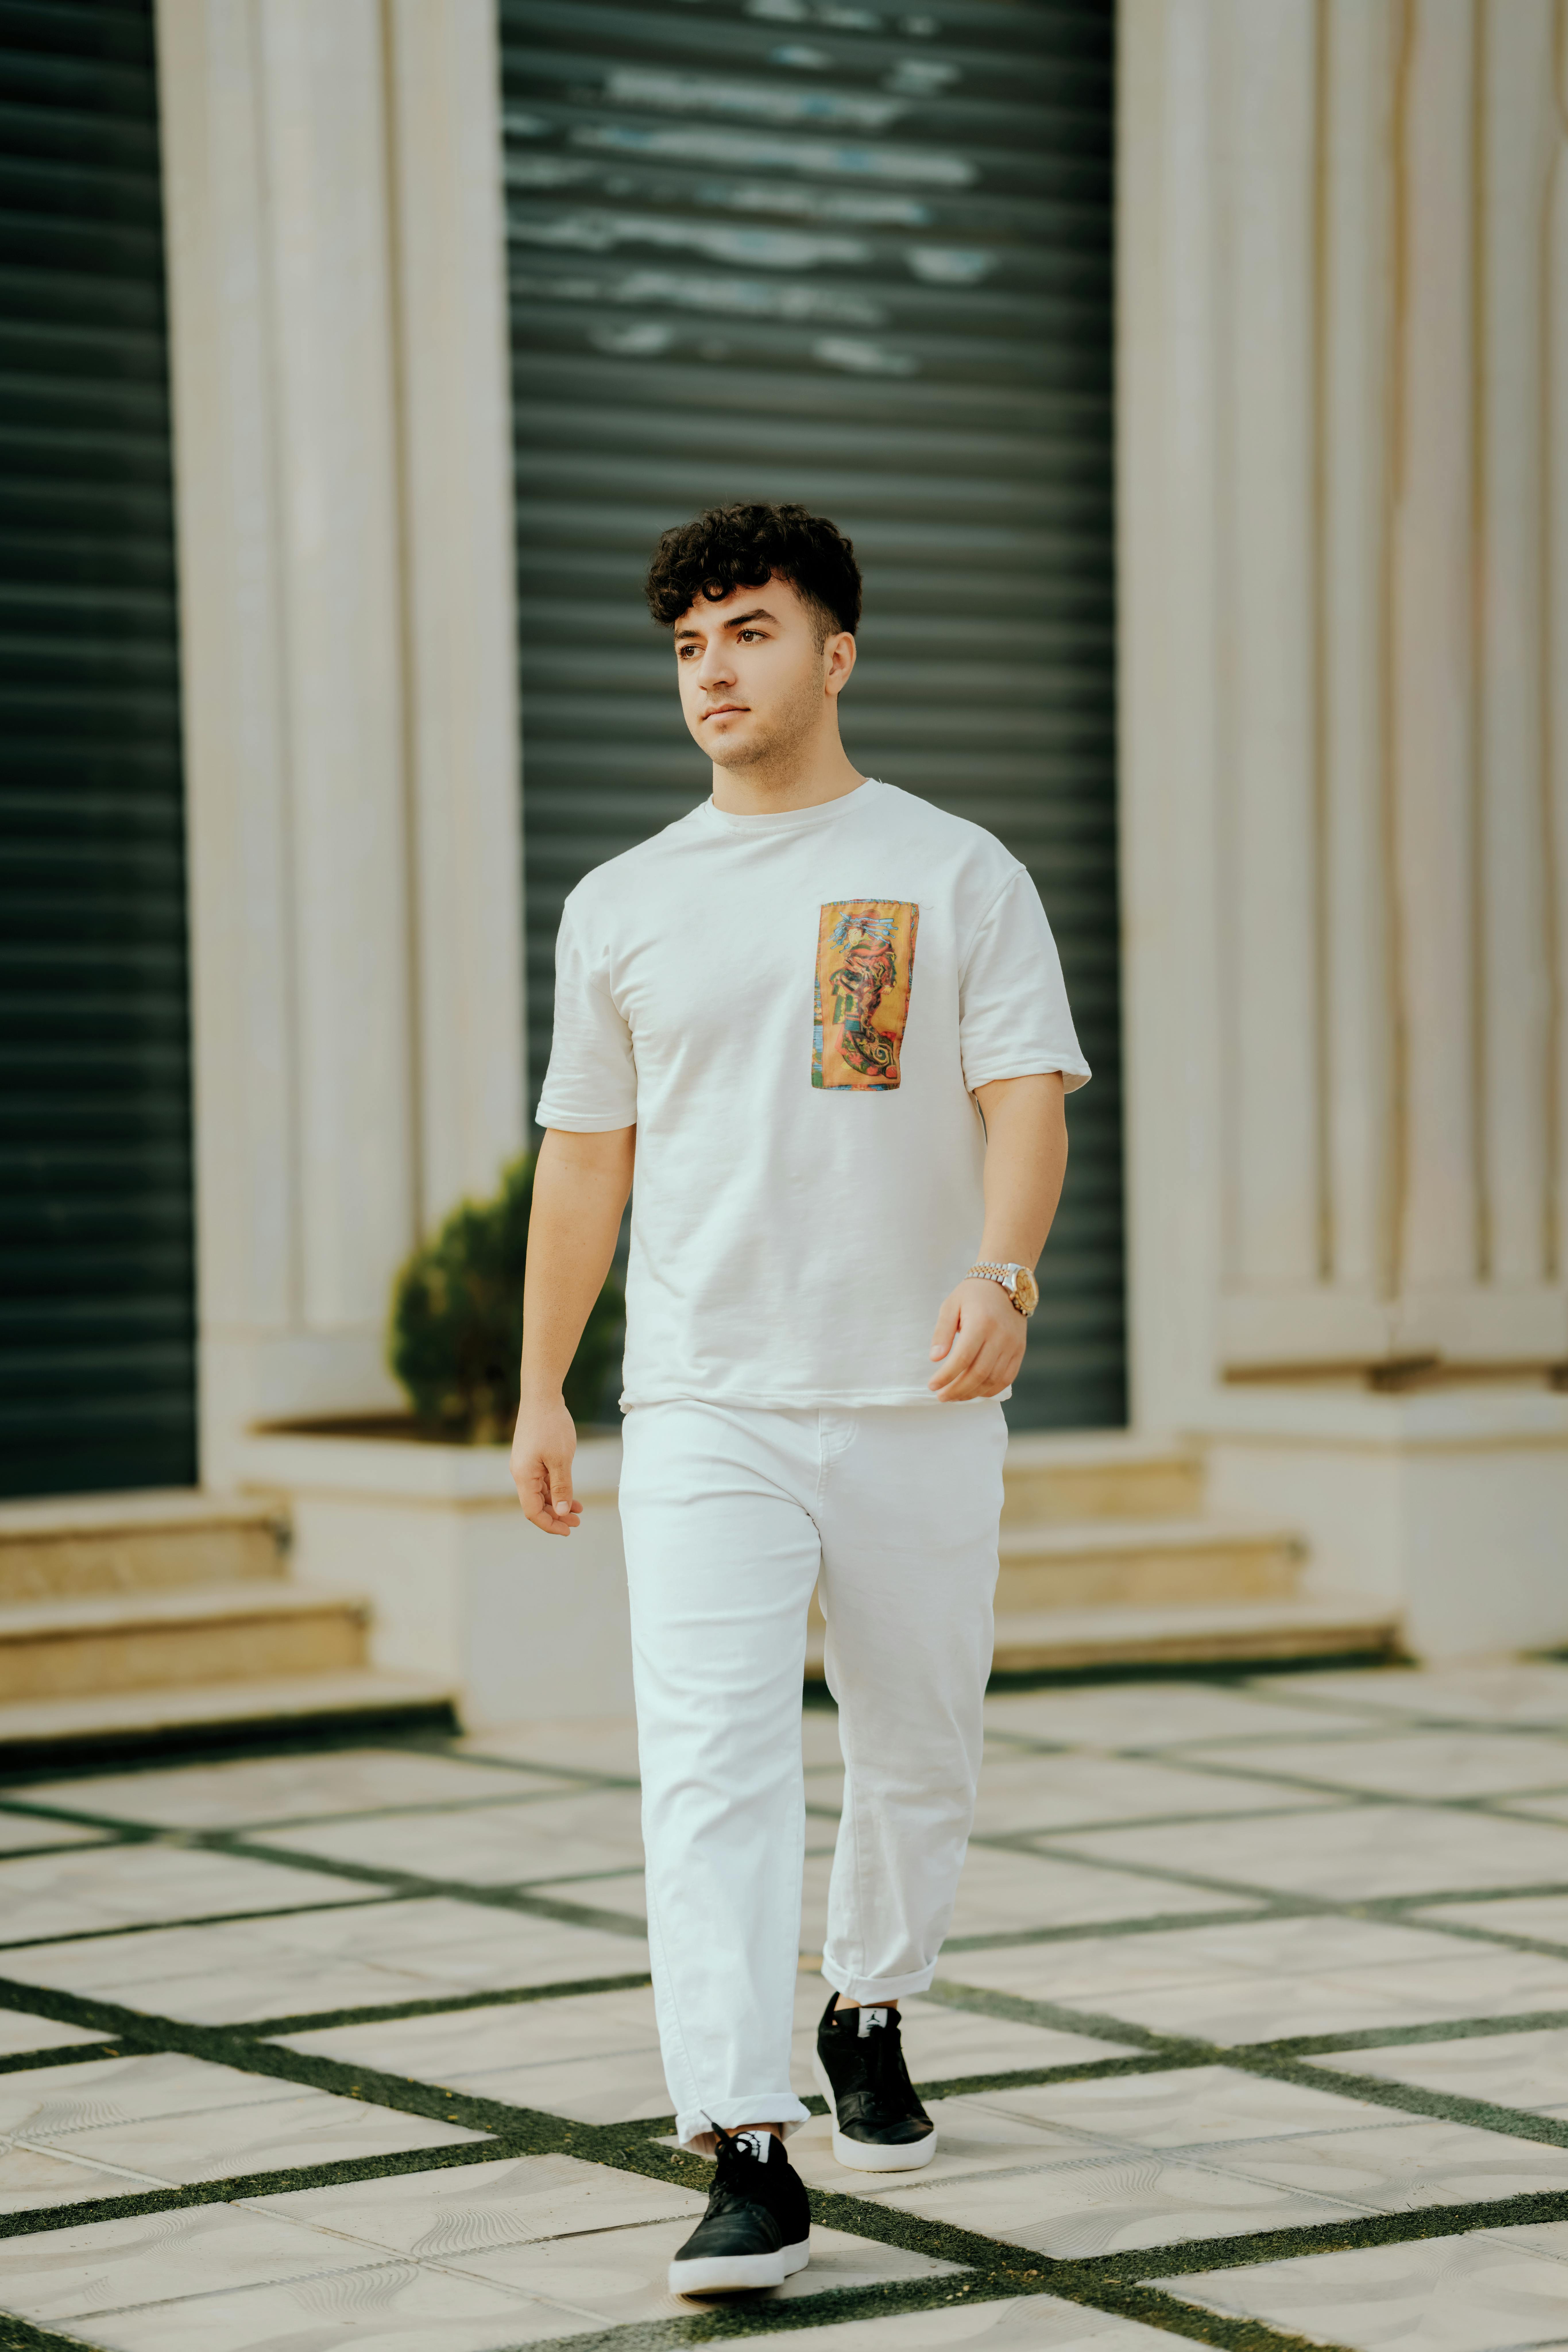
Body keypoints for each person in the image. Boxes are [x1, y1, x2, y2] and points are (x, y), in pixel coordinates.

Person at [511, 502, 1088, 2295]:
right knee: (709, 1766)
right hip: (705, 1401)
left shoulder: (952, 869)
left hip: (911, 1396)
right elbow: (582, 1165)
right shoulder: (623, 903)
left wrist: (998, 1275)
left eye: (748, 633)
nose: (713, 671)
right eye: (687, 644)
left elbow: (1024, 1100)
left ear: (833, 653)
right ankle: (741, 2141)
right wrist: (541, 1387)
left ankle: (868, 2003)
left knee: (919, 1738)